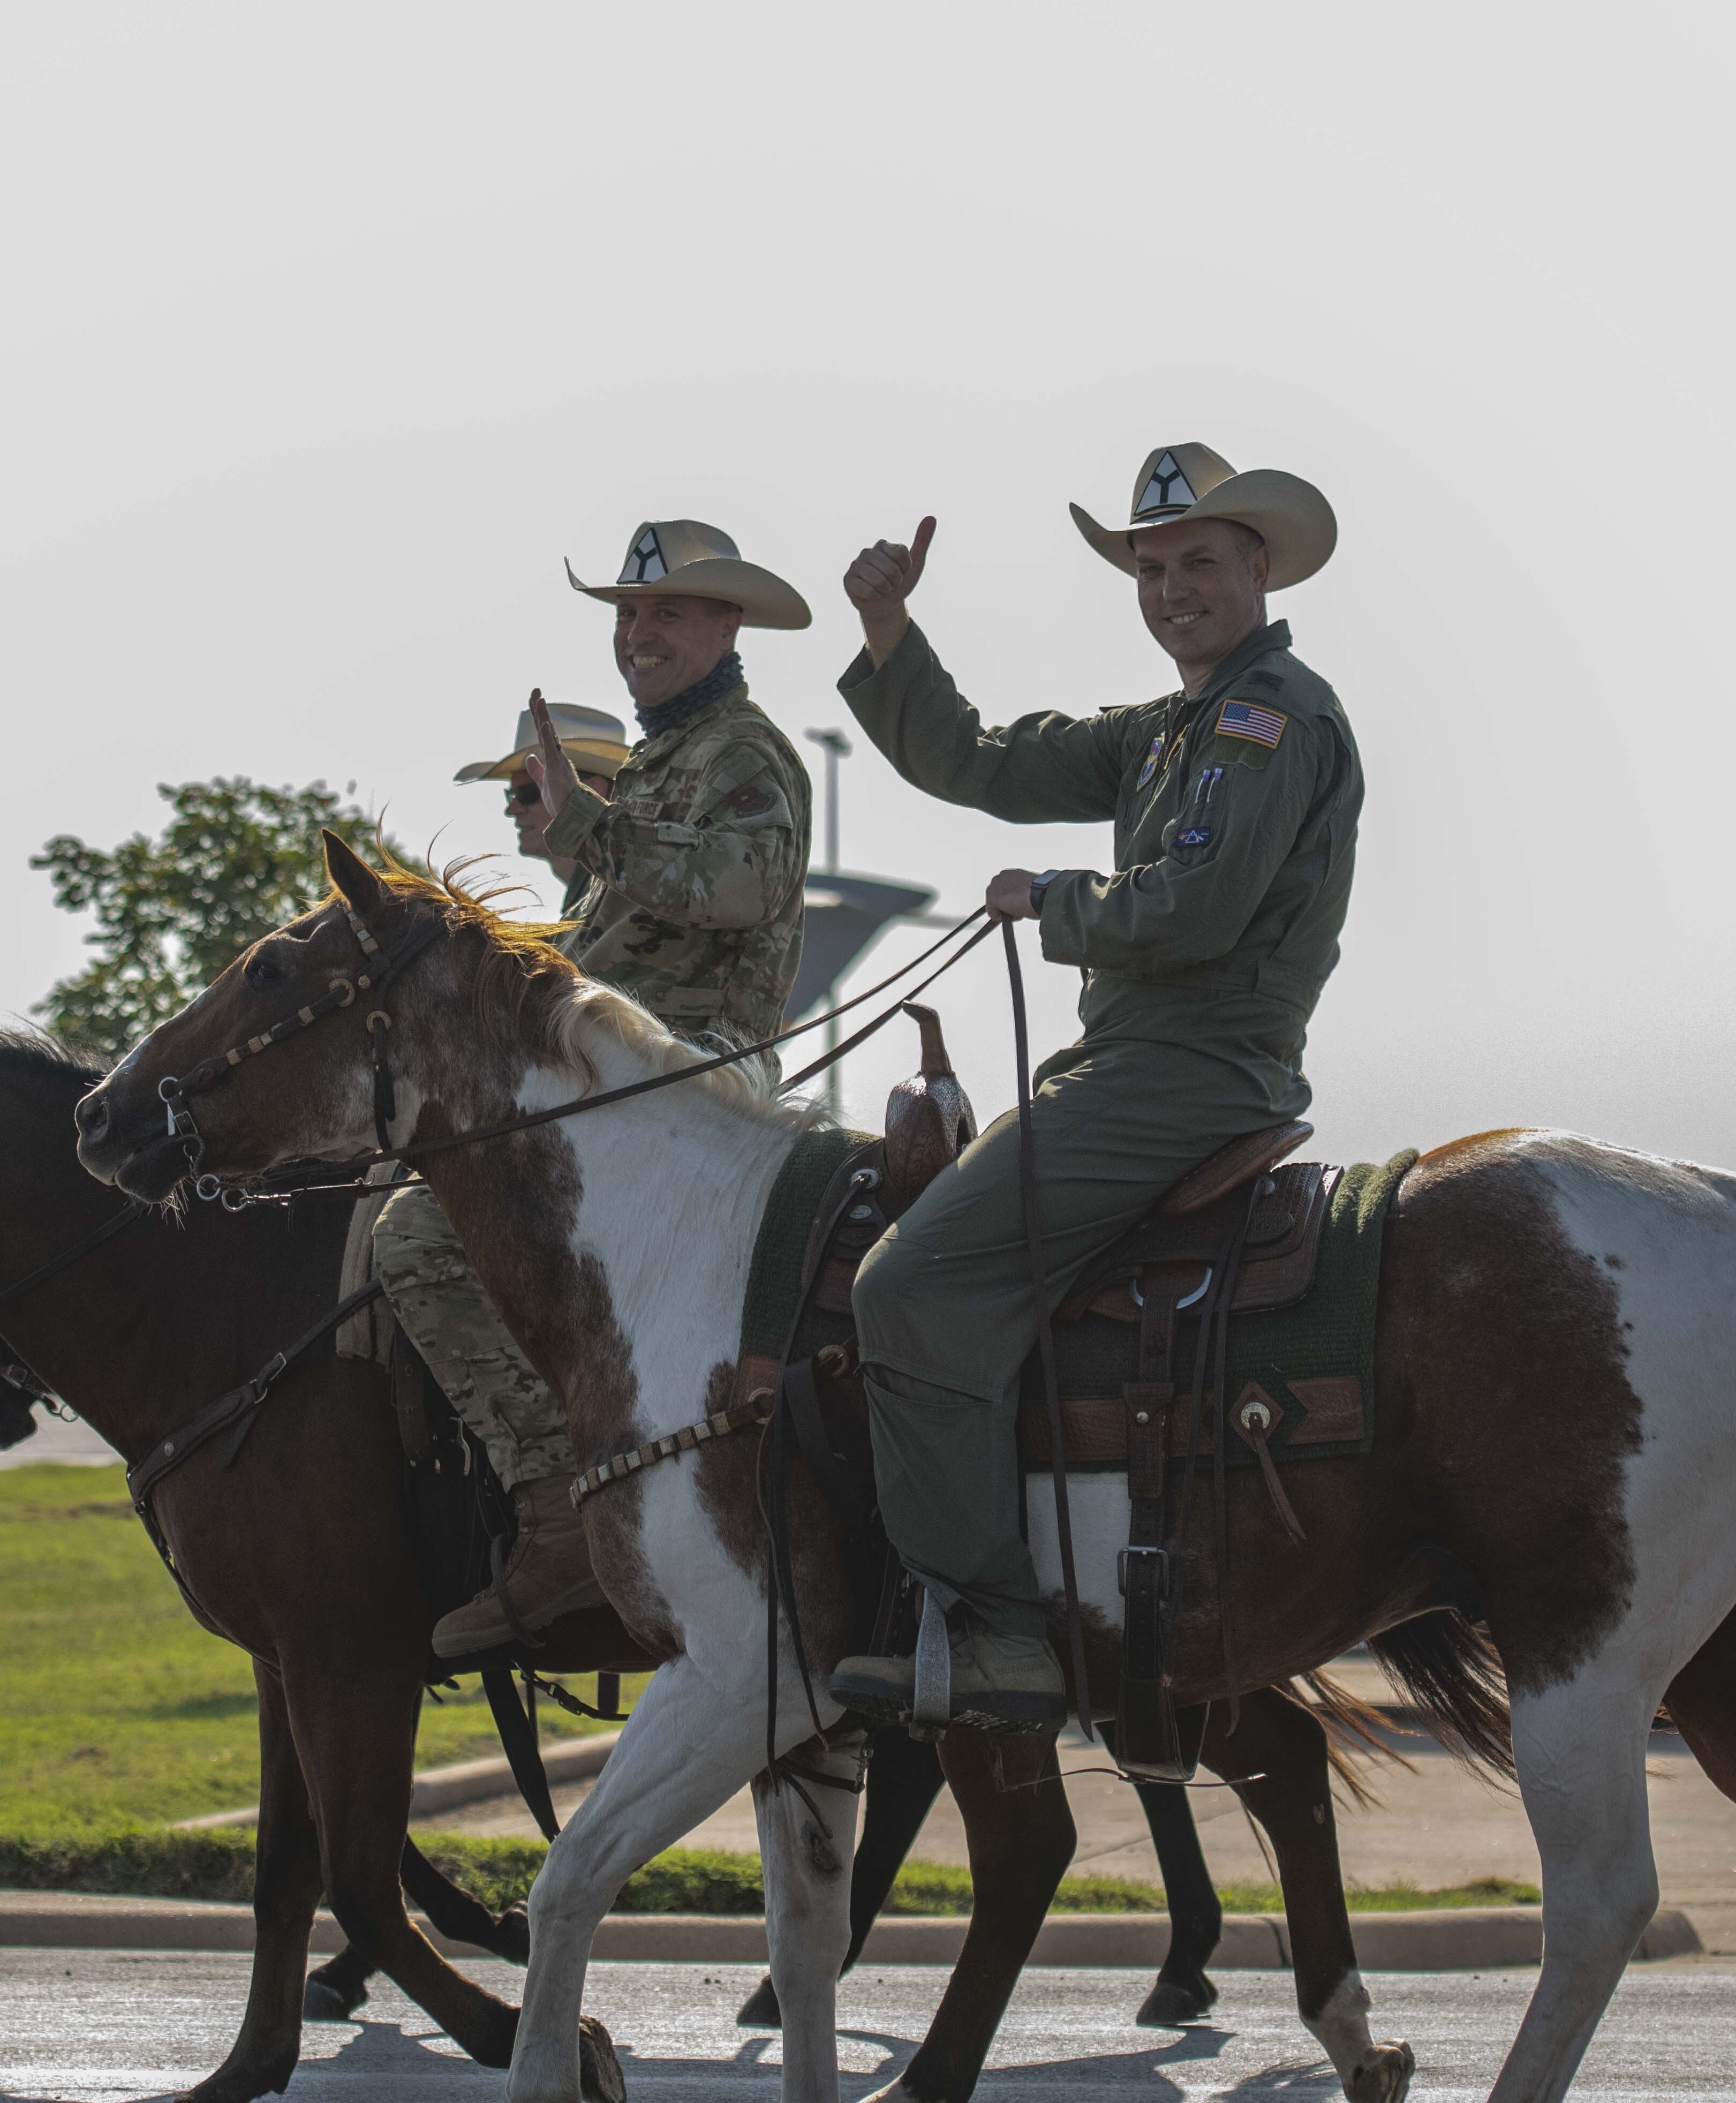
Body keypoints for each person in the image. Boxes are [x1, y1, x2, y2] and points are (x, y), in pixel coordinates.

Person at [820, 446, 1362, 1730]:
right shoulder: (1165, 732)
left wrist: (1050, 898)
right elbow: (986, 763)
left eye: (1200, 565)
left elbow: (1195, 909)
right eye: (1153, 569)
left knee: (905, 1281)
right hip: (1136, 1067)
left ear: (1259, 568)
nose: (1173, 591)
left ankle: (996, 1628)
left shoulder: (1264, 716)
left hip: (1190, 1072)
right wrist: (889, 629)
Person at [378, 519, 818, 1661]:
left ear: (727, 625)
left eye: (665, 612)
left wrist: (583, 824)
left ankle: (552, 1510)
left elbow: (735, 889)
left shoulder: (745, 754)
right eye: (627, 615)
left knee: (421, 1239)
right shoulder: (678, 753)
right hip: (629, 1066)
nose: (638, 635)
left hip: (697, 1066)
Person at [452, 699, 632, 883]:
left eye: (528, 793)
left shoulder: (624, 891)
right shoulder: (612, 887)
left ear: (592, 791)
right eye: (512, 796)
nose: (512, 810)